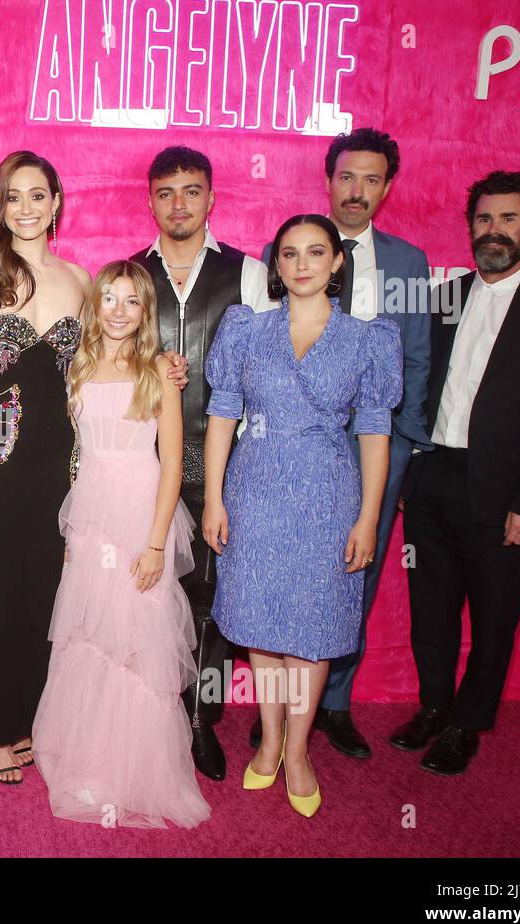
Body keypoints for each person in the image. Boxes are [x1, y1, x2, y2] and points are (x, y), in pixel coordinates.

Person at [393, 171, 520, 776]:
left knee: (495, 616)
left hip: (503, 492)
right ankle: (434, 705)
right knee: (430, 609)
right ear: (470, 228)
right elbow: (416, 387)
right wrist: (405, 475)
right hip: (431, 479)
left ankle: (467, 725)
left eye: (508, 219)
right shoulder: (443, 297)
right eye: (483, 219)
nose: (494, 230)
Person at [203, 214, 402, 818]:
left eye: (317, 252)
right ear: (277, 266)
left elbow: (374, 432)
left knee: (313, 630)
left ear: (337, 262)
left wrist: (368, 517)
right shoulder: (246, 330)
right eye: (290, 254)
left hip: (328, 498)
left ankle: (297, 750)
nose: (303, 264)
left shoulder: (368, 340)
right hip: (254, 491)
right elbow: (221, 416)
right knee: (261, 625)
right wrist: (214, 496)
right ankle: (267, 740)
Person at [251, 128, 433, 759]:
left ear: (387, 186)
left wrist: (401, 456)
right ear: (328, 180)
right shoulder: (286, 250)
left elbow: (415, 362)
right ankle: (274, 720)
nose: (357, 190)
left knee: (350, 580)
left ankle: (334, 707)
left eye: (371, 179)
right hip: (282, 454)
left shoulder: (409, 264)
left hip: (372, 452)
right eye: (347, 177)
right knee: (273, 580)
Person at [32, 260, 210, 829]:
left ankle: (140, 768)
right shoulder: (77, 367)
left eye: (132, 302)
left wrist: (157, 543)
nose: (118, 311)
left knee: (139, 645)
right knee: (88, 637)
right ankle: (91, 758)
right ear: (95, 304)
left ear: (145, 312)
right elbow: (75, 452)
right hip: (89, 512)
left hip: (138, 513)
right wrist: (72, 531)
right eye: (109, 298)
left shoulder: (159, 369)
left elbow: (173, 464)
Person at [0, 151, 90, 785]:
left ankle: (35, 716)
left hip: (58, 455)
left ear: (56, 203)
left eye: (38, 196)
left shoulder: (82, 282)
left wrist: (161, 372)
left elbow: (94, 375)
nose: (27, 208)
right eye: (14, 197)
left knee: (45, 591)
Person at [130, 145, 271, 781]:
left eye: (192, 191)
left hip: (225, 465)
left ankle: (199, 720)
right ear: (152, 200)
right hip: (145, 465)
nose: (179, 204)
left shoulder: (248, 274)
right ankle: (151, 714)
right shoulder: (129, 276)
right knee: (150, 597)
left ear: (212, 198)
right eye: (166, 192)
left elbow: (270, 369)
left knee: (214, 602)